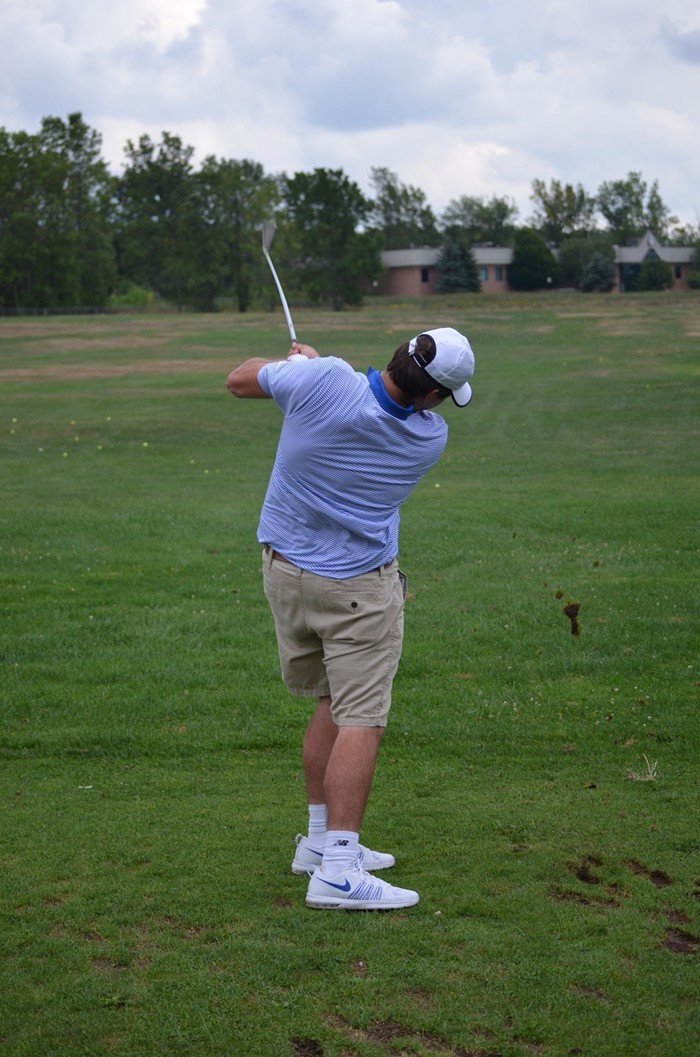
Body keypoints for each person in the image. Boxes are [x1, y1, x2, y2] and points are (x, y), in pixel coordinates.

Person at [226, 327, 475, 910]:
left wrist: (297, 368)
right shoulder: (428, 436)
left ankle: (318, 843)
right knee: (361, 716)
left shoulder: (322, 380)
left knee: (331, 701)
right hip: (358, 589)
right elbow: (374, 404)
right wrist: (311, 371)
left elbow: (239, 380)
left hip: (285, 574)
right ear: (432, 396)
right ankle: (339, 869)